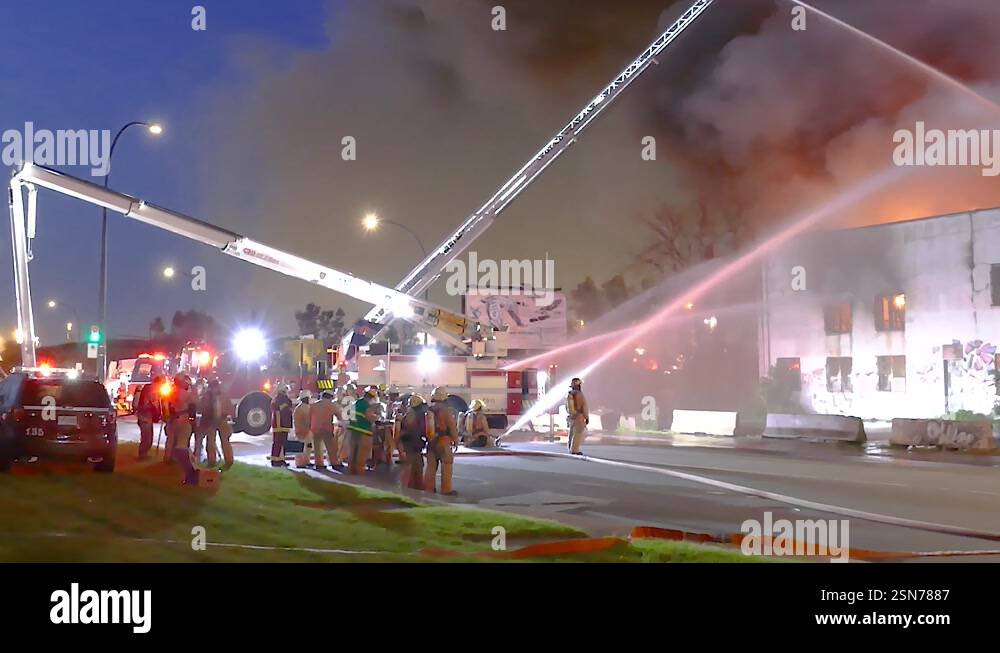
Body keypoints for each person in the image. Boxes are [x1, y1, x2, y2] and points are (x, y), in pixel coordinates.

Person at [424, 386, 458, 495]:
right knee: (447, 465)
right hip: (443, 441)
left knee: (431, 467)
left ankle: (429, 488)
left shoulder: (429, 410)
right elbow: (452, 426)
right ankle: (446, 489)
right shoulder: (446, 410)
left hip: (431, 441)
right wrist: (455, 439)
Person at [398, 394, 432, 490]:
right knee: (414, 467)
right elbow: (413, 430)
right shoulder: (412, 414)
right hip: (412, 444)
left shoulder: (411, 413)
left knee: (417, 465)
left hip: (412, 444)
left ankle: (415, 485)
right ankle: (411, 486)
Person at [202, 378, 234, 468]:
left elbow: (203, 408)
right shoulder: (219, 396)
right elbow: (230, 408)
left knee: (219, 441)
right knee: (215, 442)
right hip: (216, 420)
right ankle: (217, 460)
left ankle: (222, 460)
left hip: (218, 420)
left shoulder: (212, 396)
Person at [346, 386, 379, 474]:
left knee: (353, 452)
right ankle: (360, 471)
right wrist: (376, 417)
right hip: (364, 431)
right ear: (371, 398)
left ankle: (351, 470)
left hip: (353, 430)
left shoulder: (356, 402)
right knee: (362, 453)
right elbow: (369, 417)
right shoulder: (367, 405)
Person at [134, 375, 165, 460]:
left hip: (144, 416)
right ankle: (142, 455)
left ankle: (144, 454)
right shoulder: (153, 390)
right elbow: (154, 403)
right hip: (145, 417)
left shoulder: (147, 388)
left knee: (147, 437)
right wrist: (159, 412)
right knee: (147, 438)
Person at [310, 390, 341, 469]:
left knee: (317, 448)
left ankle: (319, 463)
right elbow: (339, 416)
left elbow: (309, 417)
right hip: (326, 428)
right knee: (331, 447)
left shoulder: (313, 405)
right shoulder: (332, 405)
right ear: (331, 397)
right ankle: (334, 463)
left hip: (315, 428)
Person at [270, 385, 294, 467]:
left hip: (280, 423)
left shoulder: (277, 399)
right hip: (281, 423)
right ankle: (277, 460)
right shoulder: (282, 399)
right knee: (279, 442)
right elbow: (286, 408)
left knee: (280, 442)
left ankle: (279, 459)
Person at [567, 377, 589, 455]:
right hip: (579, 417)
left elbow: (568, 407)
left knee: (571, 434)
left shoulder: (570, 394)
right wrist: (586, 417)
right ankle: (574, 450)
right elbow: (584, 406)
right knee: (578, 434)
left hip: (571, 417)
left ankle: (570, 448)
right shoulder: (580, 394)